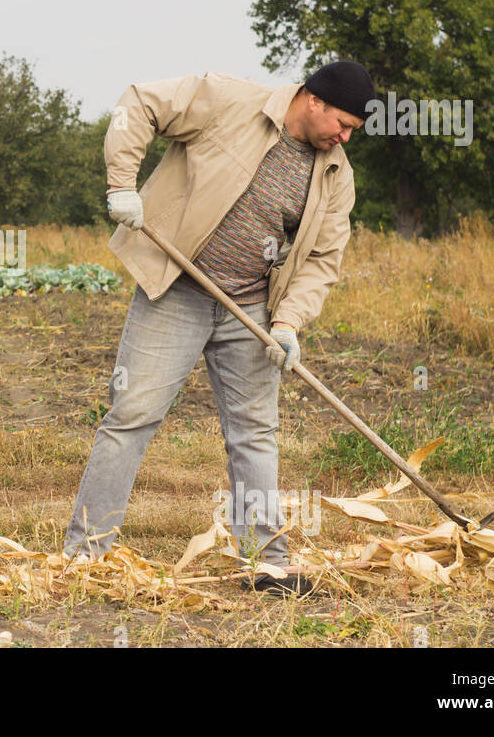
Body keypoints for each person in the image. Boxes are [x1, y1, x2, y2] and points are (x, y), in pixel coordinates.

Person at [62, 61, 374, 596]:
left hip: (251, 308)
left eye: (353, 132)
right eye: (342, 125)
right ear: (314, 100)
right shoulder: (228, 101)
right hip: (177, 289)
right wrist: (121, 184)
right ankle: (86, 555)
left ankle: (266, 562)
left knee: (255, 433)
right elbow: (136, 102)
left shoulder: (335, 174)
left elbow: (323, 258)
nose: (345, 139)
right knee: (131, 414)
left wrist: (288, 322)